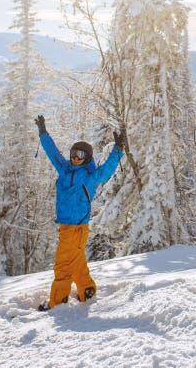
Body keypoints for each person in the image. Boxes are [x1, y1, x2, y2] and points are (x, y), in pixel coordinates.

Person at [34, 115, 125, 310]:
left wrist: (118, 150)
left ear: (88, 158)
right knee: (76, 262)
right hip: (67, 227)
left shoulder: (90, 176)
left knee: (63, 264)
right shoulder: (64, 169)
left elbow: (107, 169)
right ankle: (87, 290)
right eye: (74, 154)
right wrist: (43, 133)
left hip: (76, 228)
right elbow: (53, 153)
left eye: (81, 155)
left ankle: (58, 301)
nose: (76, 158)